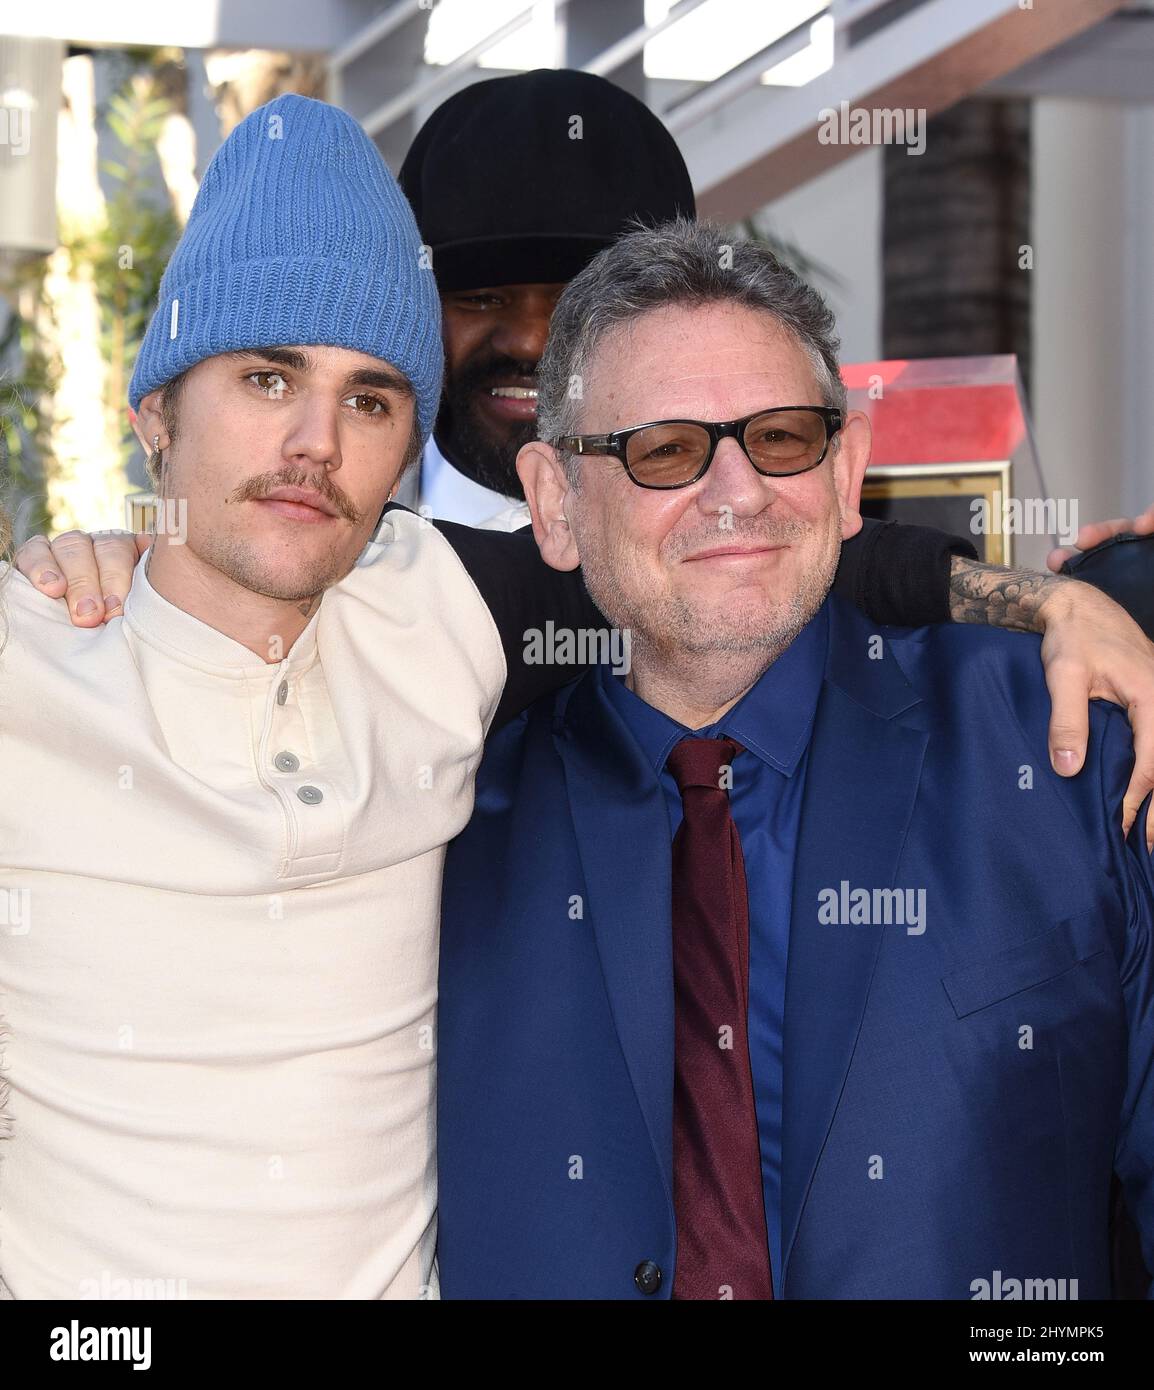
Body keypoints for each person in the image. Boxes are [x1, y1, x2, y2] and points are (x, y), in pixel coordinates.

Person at [7, 99, 1154, 1300]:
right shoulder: (40, 678)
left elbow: (744, 551)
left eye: (367, 399)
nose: (312, 443)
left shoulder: (436, 620)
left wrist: (1047, 602)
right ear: (152, 414)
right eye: (263, 376)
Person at [434, 218, 1154, 1300]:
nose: (737, 492)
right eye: (665, 449)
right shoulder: (432, 829)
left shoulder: (1067, 749)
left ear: (847, 466)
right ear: (552, 502)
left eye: (778, 437)